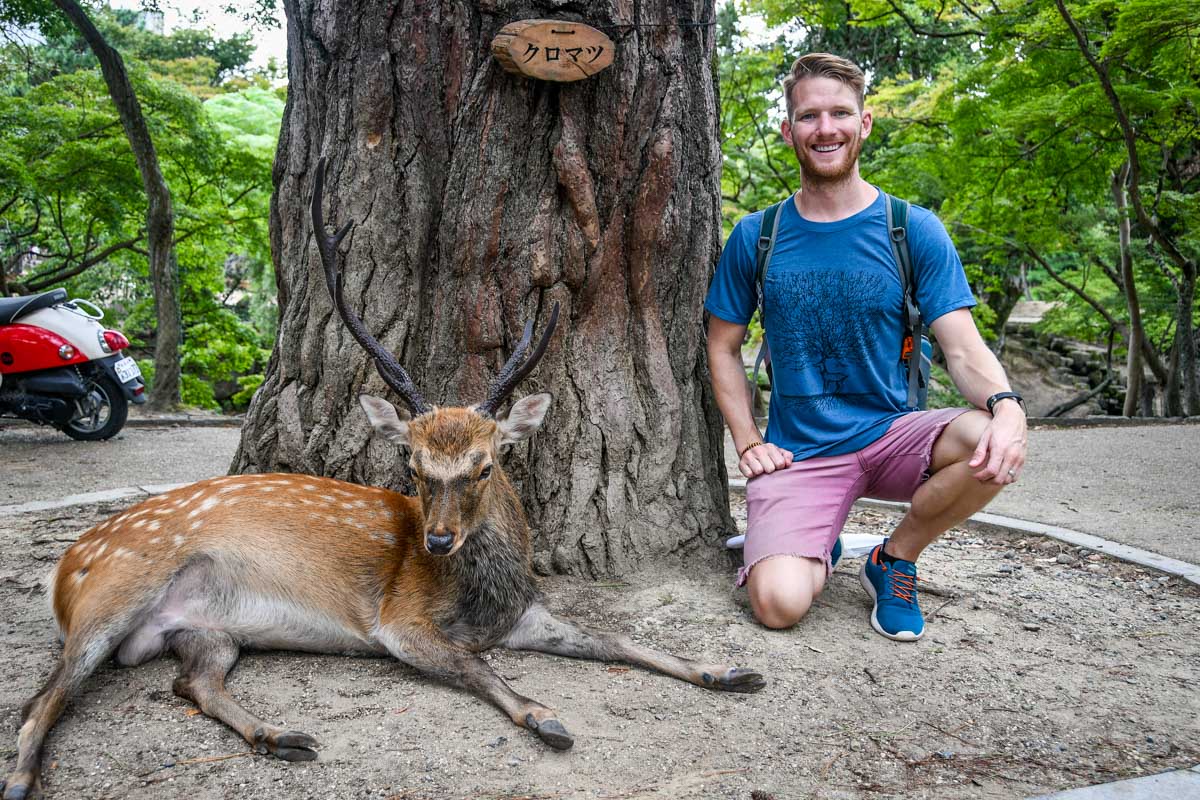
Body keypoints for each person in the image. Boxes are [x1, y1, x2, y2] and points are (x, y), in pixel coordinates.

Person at [705, 53, 1028, 642]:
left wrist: (1008, 408)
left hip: (892, 435)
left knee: (992, 443)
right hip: (798, 452)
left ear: (865, 123)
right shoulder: (758, 236)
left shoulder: (912, 228)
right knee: (778, 606)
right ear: (789, 130)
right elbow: (722, 347)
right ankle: (810, 535)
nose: (825, 128)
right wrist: (748, 440)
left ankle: (894, 559)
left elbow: (961, 347)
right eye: (808, 116)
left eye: (839, 114)